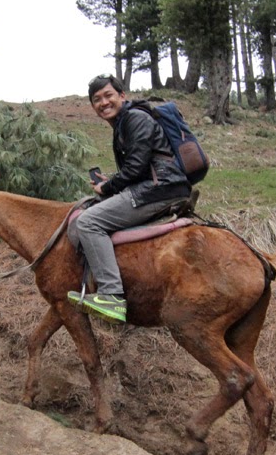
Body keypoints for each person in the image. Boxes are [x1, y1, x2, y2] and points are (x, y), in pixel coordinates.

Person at [67, 74, 191, 324]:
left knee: (88, 222)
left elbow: (135, 169)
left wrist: (108, 187)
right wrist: (110, 181)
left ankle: (111, 295)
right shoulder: (125, 122)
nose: (103, 103)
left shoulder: (135, 118)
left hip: (160, 190)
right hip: (157, 186)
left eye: (108, 95)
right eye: (96, 100)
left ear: (122, 95)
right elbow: (141, 166)